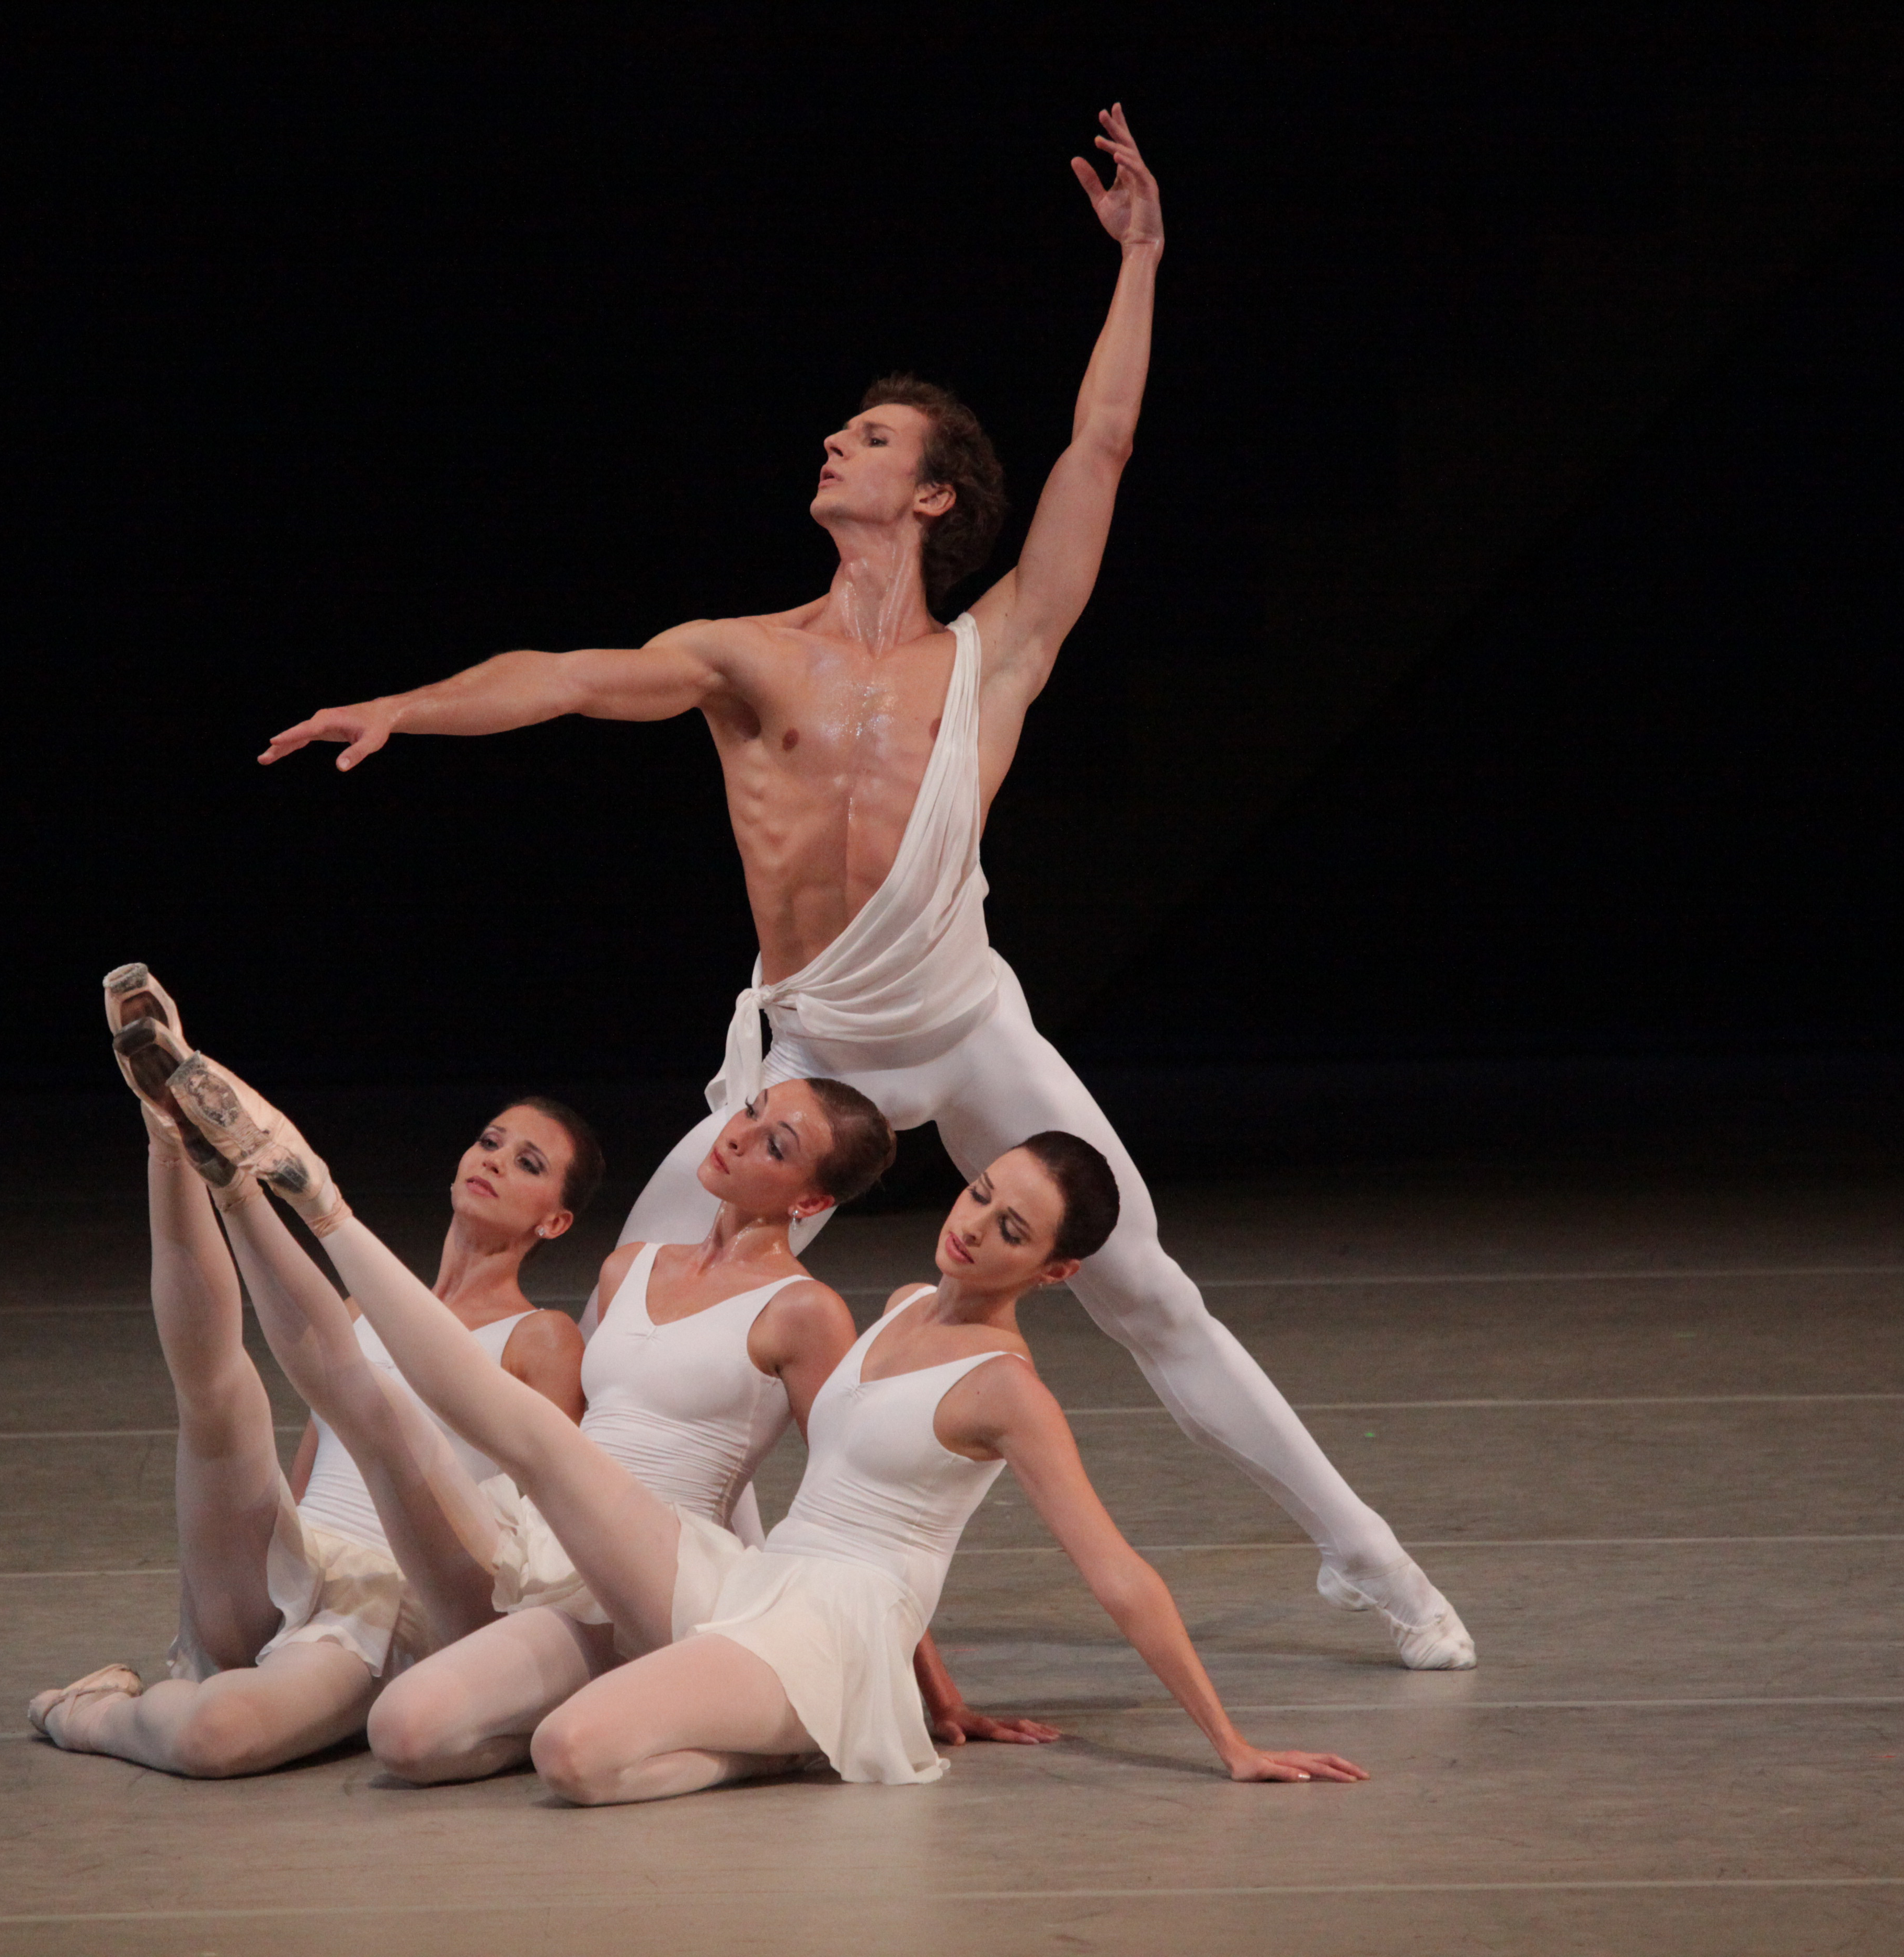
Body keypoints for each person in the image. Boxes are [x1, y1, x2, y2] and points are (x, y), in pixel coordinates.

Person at [260, 105, 1470, 1666]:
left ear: (936, 498)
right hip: (812, 1056)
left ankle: (1369, 1557)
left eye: (873, 436)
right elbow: (564, 677)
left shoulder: (1002, 649)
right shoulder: (745, 655)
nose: (836, 440)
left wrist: (1144, 262)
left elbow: (1101, 445)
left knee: (1148, 1289)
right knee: (636, 1317)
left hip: (966, 1025)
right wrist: (409, 709)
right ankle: (550, 1573)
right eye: (843, 428)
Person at [155, 1047, 1366, 1799]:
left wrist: (1231, 1743)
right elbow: (804, 1486)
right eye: (982, 1195)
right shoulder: (885, 1308)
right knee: (412, 1718)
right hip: (726, 1575)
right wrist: (937, 1696)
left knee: (572, 1746)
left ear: (1051, 1274)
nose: (975, 1225)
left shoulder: (945, 1363)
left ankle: (313, 1204)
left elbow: (1114, 1576)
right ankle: (263, 1192)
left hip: (792, 1604)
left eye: (1009, 1231)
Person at [366, 1077, 1059, 1784]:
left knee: (522, 1742)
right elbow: (578, 1445)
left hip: (664, 1583)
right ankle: (604, 1711)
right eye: (752, 1112)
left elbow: (853, 1497)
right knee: (405, 1734)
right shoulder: (627, 1268)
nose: (736, 1136)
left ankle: (768, 1732)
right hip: (566, 1560)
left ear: (810, 1201)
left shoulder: (803, 1311)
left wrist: (935, 1695)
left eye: (774, 1145)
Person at [24, 963, 589, 1775]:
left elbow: (551, 1503)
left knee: (213, 1737)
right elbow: (299, 1469)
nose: (495, 1160)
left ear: (557, 1220)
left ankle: (88, 1713)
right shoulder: (354, 1317)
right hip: (295, 1558)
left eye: (529, 1165)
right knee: (216, 1400)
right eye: (491, 1141)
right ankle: (171, 1130)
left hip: (391, 1595)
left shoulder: (543, 1337)